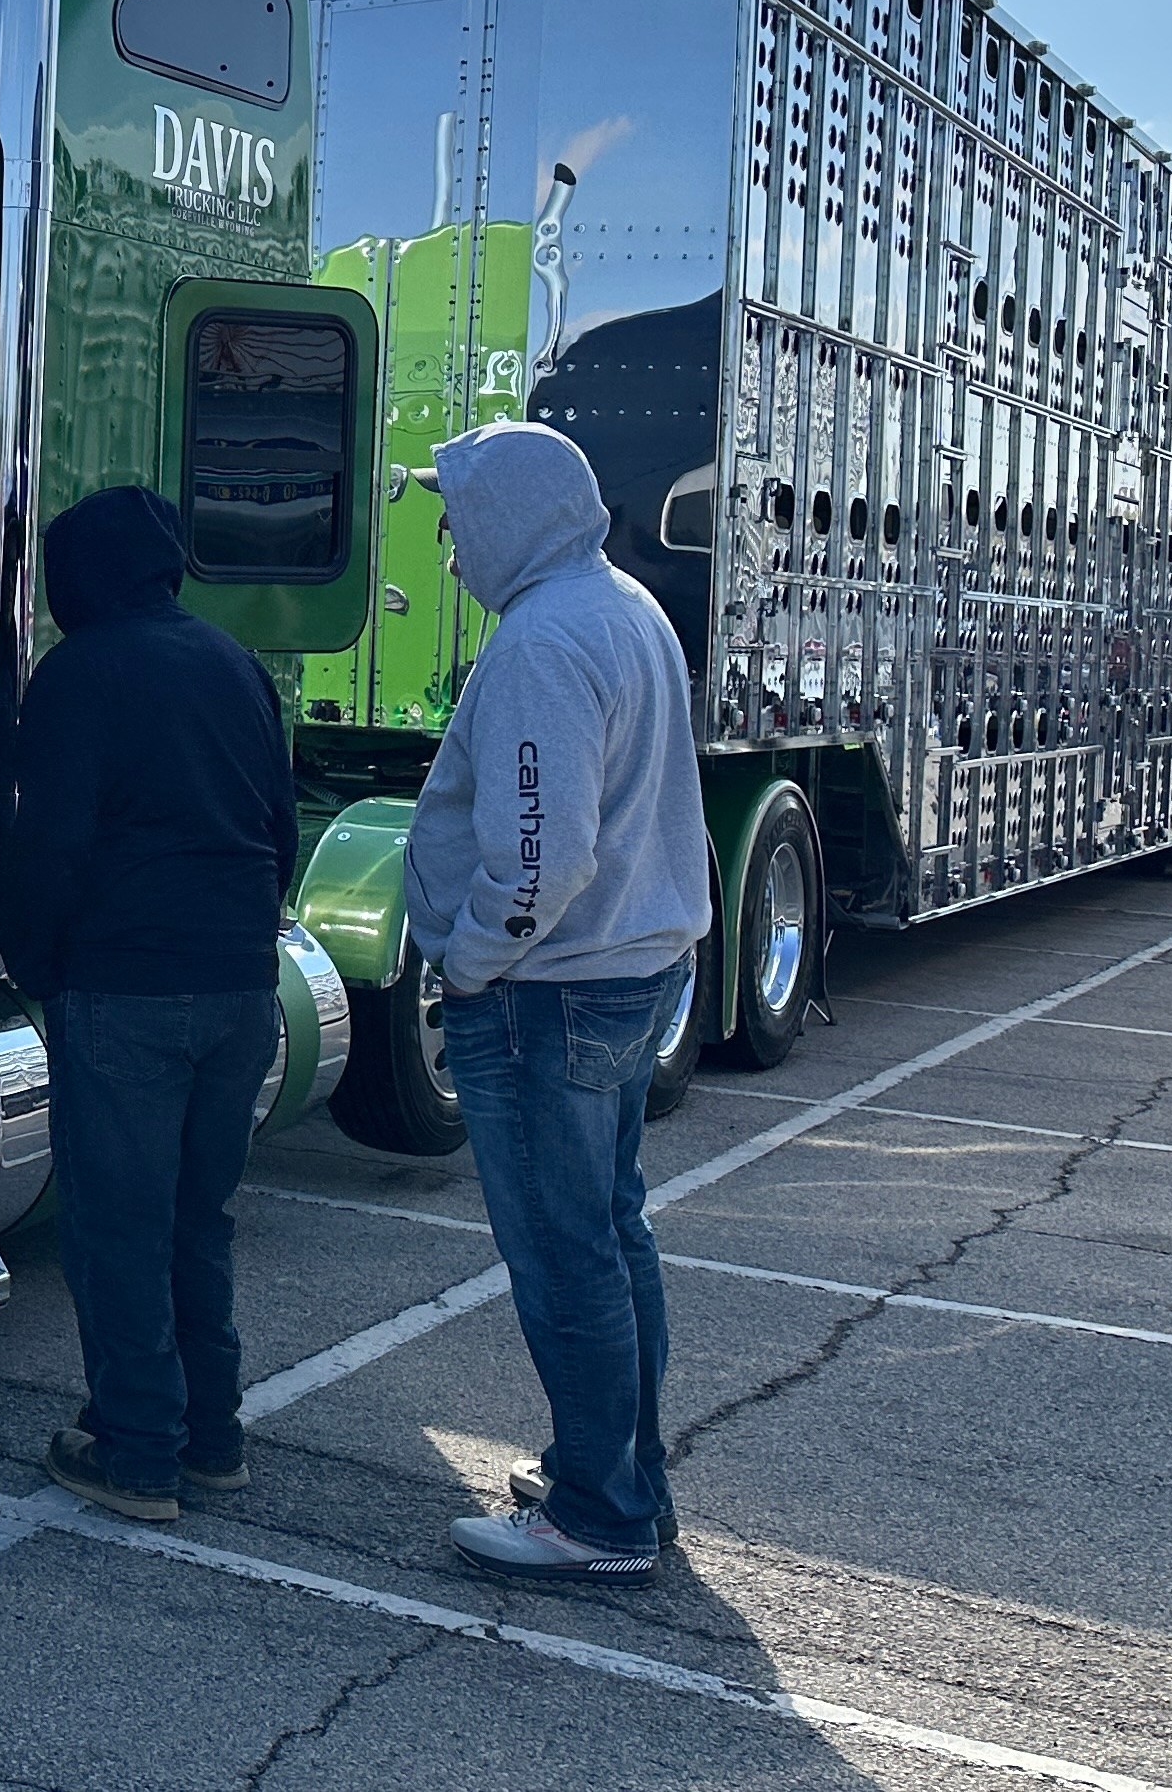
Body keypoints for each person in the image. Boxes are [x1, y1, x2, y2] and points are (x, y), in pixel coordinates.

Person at [407, 420, 713, 1585]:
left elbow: (540, 856)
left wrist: (475, 958)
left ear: (509, 516)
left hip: (552, 996)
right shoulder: (623, 603)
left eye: (456, 511)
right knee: (612, 1236)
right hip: (630, 977)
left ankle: (598, 1515)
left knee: (564, 1252)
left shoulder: (542, 641)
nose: (444, 534)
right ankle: (623, 1476)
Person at [0, 484, 301, 1524]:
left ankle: (135, 1452)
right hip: (240, 985)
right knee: (194, 1222)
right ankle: (212, 1437)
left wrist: (34, 961)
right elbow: (281, 821)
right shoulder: (235, 665)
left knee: (118, 1228)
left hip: (129, 987)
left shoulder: (79, 675)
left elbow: (54, 844)